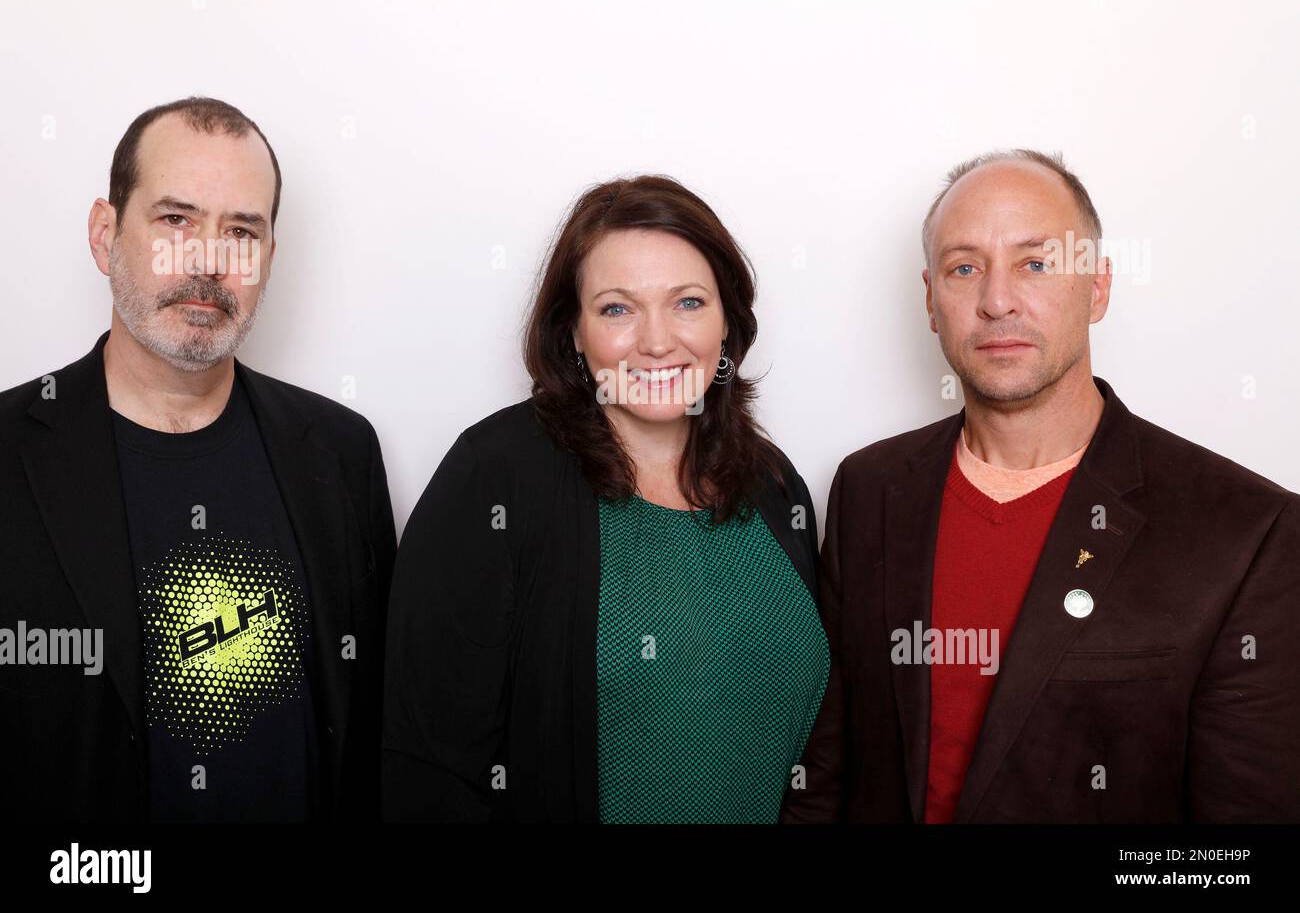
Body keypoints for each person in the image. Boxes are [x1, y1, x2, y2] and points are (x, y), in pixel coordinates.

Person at [788, 149, 1300, 823]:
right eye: (964, 267)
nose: (997, 300)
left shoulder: (1248, 530)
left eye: (1036, 263)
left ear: (1098, 287)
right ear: (931, 301)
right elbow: (828, 772)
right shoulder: (868, 490)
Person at [383, 175, 830, 822]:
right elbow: (429, 771)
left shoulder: (773, 484)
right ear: (573, 332)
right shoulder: (495, 479)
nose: (655, 341)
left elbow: (814, 752)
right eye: (618, 308)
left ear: (727, 320)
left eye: (688, 302)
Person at [0, 97, 396, 822]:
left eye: (242, 232)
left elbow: (377, 726)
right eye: (175, 221)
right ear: (103, 234)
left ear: (269, 258)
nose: (210, 262)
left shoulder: (341, 452)